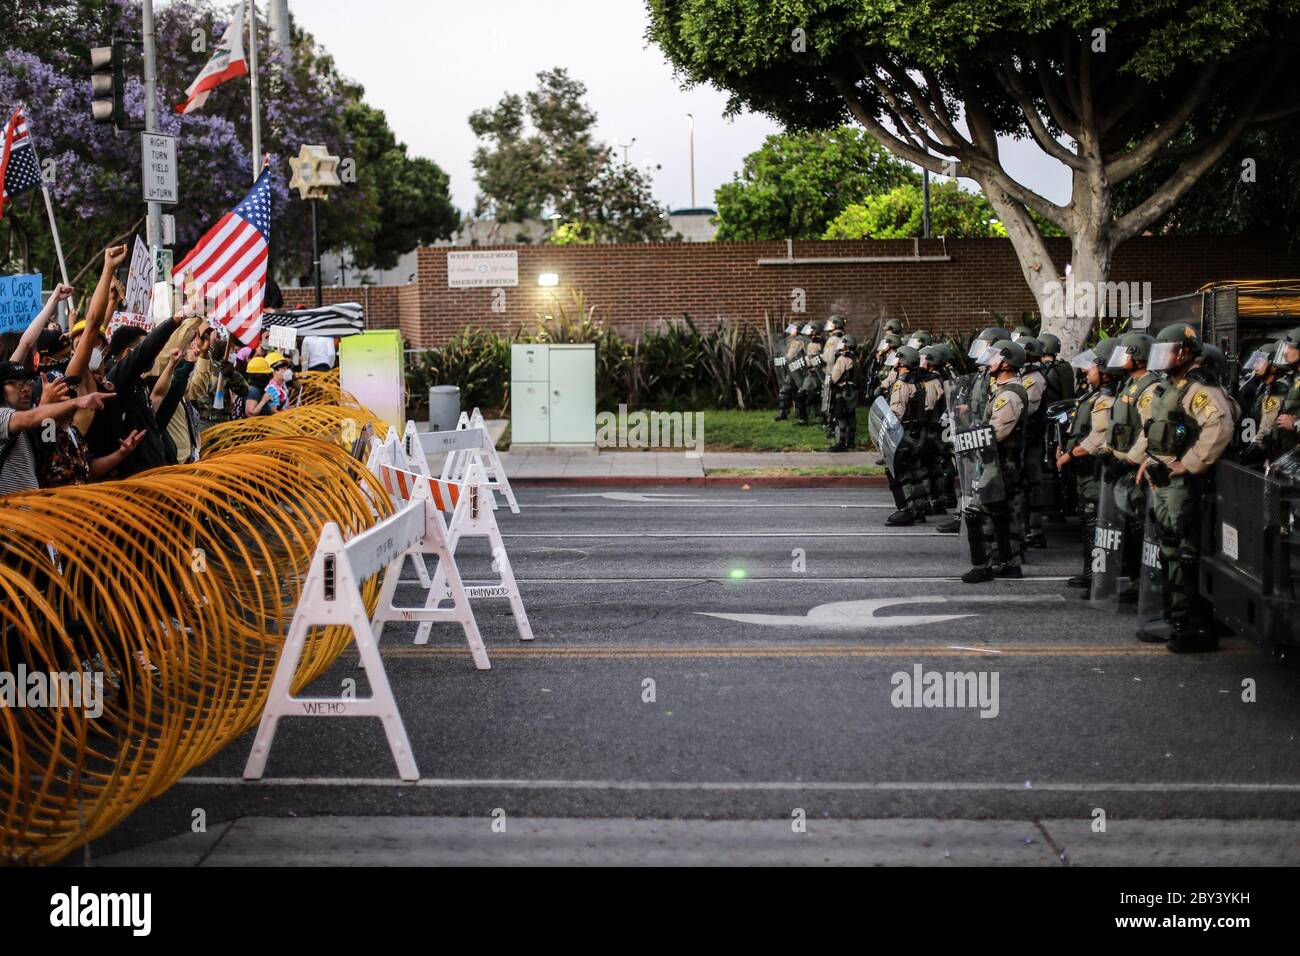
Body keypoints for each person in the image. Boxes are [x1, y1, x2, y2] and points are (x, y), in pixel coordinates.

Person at [1136, 325, 1234, 652]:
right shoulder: (1172, 386)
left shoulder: (1198, 388)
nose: (1163, 359)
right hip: (1165, 481)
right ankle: (1177, 618)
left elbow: (1219, 426)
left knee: (1184, 552)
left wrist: (1188, 464)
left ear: (1186, 353)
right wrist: (1148, 462)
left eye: (1170, 352)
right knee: (1171, 549)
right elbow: (1157, 431)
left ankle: (1194, 624)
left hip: (1184, 485)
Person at [962, 339, 1029, 583]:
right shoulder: (1001, 391)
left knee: (981, 512)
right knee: (1003, 514)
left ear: (1007, 363)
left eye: (995, 357)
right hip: (998, 462)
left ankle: (983, 564)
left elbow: (996, 433)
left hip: (1001, 463)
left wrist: (970, 438)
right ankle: (1009, 562)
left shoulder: (1009, 395)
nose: (990, 361)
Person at [1056, 339, 1119, 592]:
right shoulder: (1093, 395)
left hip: (1095, 467)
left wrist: (1071, 453)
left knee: (1095, 521)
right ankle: (1090, 572)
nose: (1085, 371)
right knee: (1088, 518)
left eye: (1090, 367)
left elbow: (1099, 436)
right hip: (1085, 468)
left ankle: (1097, 576)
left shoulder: (1105, 398)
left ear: (1104, 370)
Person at [0, 361, 112, 495]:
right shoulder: (6, 417)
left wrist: (122, 452)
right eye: (13, 383)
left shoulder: (65, 428)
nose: (25, 388)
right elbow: (30, 421)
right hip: (10, 511)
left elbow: (46, 444)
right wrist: (73, 402)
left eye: (28, 382)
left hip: (32, 509)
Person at [884, 345, 932, 525]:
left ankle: (906, 510)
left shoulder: (901, 384)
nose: (895, 362)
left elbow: (896, 413)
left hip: (903, 433)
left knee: (899, 471)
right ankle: (920, 509)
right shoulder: (919, 383)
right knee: (916, 471)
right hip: (917, 432)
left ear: (902, 361)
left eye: (897, 358)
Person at [827, 334, 859, 451]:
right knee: (851, 416)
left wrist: (829, 383)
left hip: (844, 391)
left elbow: (834, 378)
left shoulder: (842, 359)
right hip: (854, 392)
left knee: (840, 416)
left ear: (846, 346)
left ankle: (841, 443)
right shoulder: (855, 358)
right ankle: (850, 442)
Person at [773, 322, 803, 422]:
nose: (791, 331)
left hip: (800, 371)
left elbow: (789, 356)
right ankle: (783, 413)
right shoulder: (791, 341)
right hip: (792, 371)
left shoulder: (799, 342)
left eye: (793, 329)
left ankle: (800, 414)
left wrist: (783, 359)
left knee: (798, 393)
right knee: (785, 390)